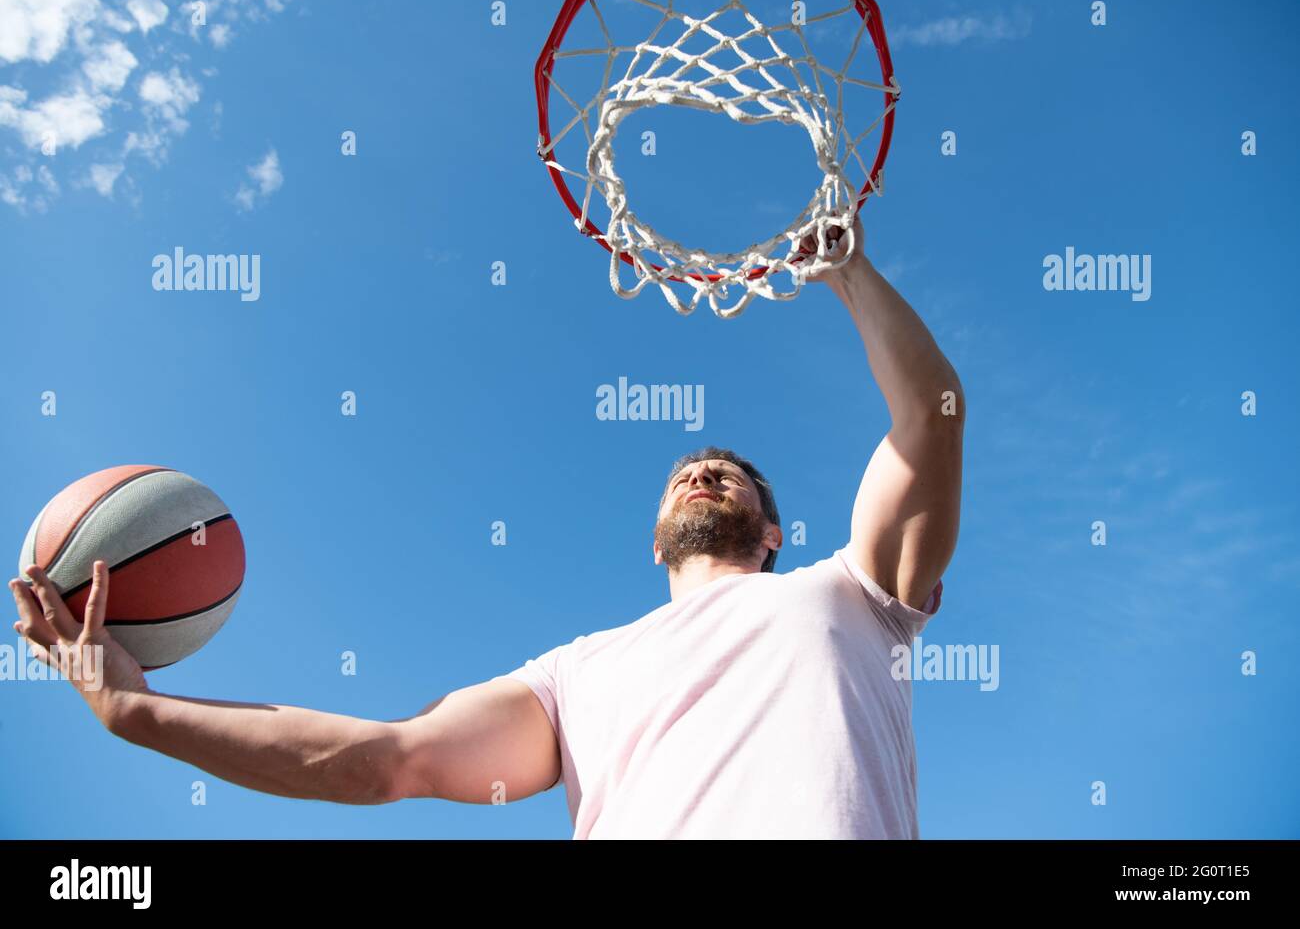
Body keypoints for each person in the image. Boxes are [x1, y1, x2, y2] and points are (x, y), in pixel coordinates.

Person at [10, 218, 963, 838]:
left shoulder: (851, 593)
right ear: (654, 534)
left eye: (730, 475)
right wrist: (135, 714)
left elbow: (931, 417)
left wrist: (850, 272)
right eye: (683, 472)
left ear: (772, 535)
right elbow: (386, 759)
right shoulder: (574, 674)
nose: (703, 472)